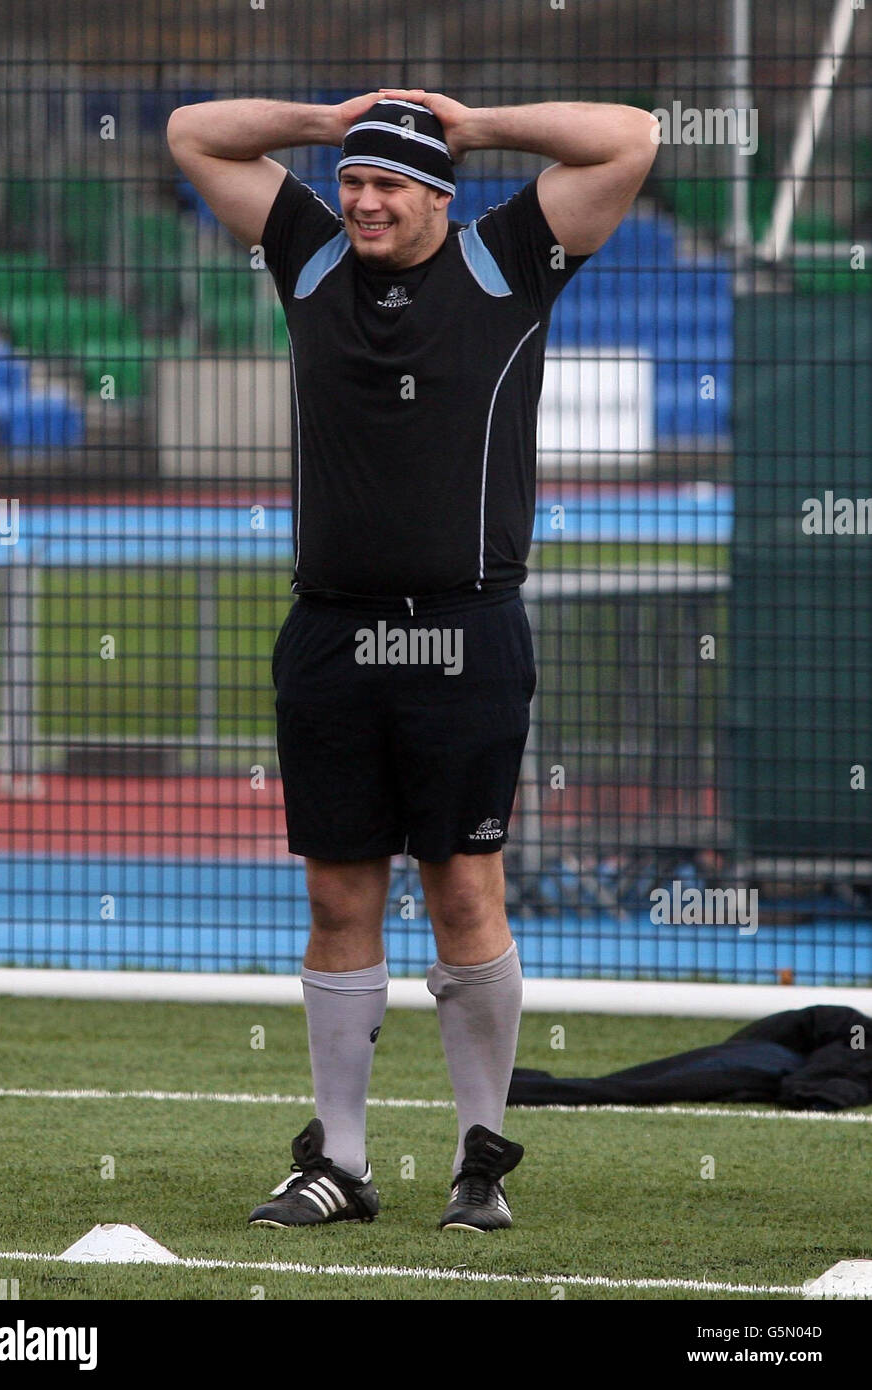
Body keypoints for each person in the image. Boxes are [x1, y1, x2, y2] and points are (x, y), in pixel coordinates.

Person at [167, 86, 657, 1231]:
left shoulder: (507, 261)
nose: (364, 200)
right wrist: (332, 119)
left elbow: (631, 134)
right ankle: (338, 1161)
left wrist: (471, 125)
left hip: (465, 628)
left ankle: (476, 1162)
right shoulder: (309, 255)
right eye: (354, 182)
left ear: (438, 193)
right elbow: (193, 131)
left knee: (463, 890)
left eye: (389, 182)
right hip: (330, 629)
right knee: (338, 892)